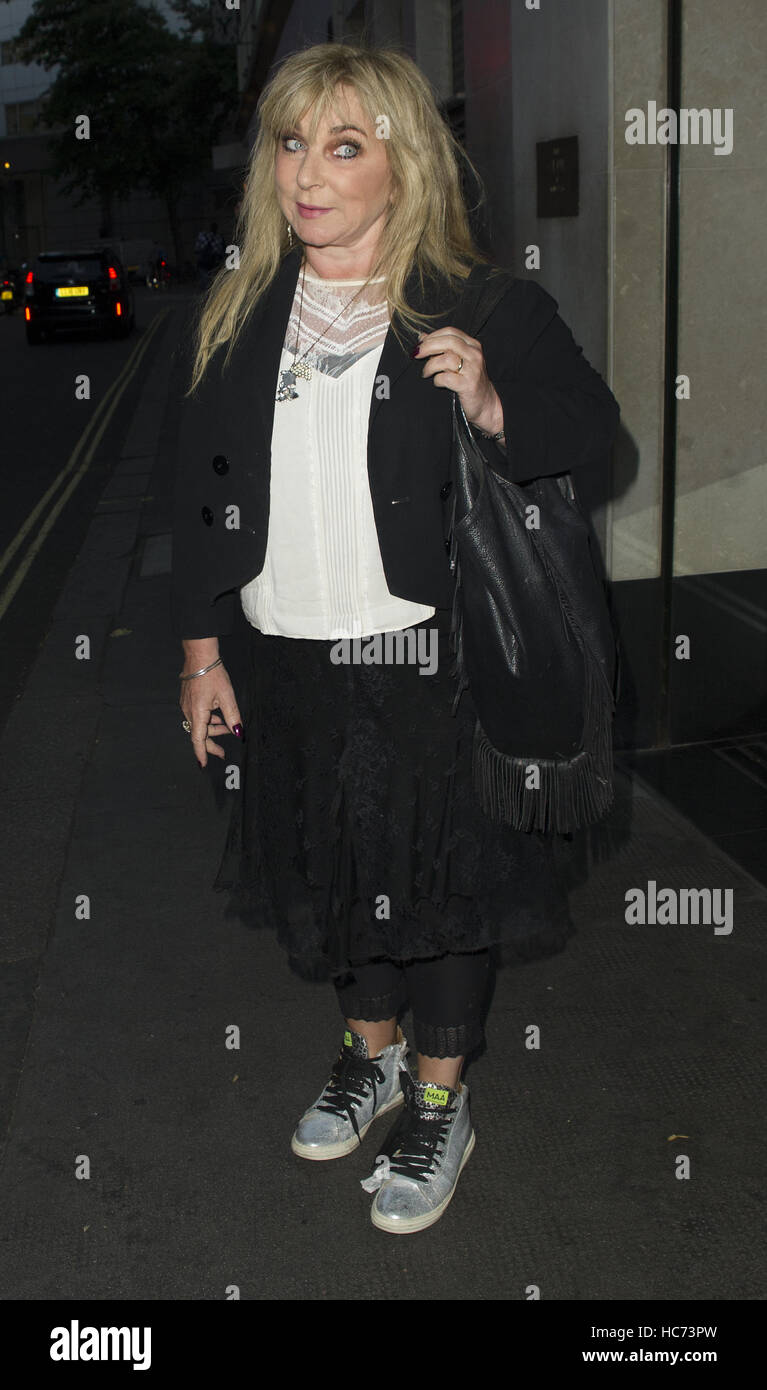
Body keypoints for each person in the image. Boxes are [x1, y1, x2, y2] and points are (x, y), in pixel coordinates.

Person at [170, 43, 620, 1235]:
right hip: (285, 659)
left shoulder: (479, 303)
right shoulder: (238, 313)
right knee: (329, 872)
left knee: (438, 890)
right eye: (289, 142)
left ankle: (436, 1099)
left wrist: (490, 405)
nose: (305, 173)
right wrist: (204, 654)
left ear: (401, 166)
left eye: (343, 146)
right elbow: (205, 504)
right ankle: (365, 1057)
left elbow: (595, 435)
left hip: (428, 663)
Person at [194, 221, 225, 291]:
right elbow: (222, 251)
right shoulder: (219, 237)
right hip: (214, 261)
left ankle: (205, 290)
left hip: (203, 261)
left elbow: (196, 249)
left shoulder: (202, 236)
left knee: (204, 278)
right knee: (213, 277)